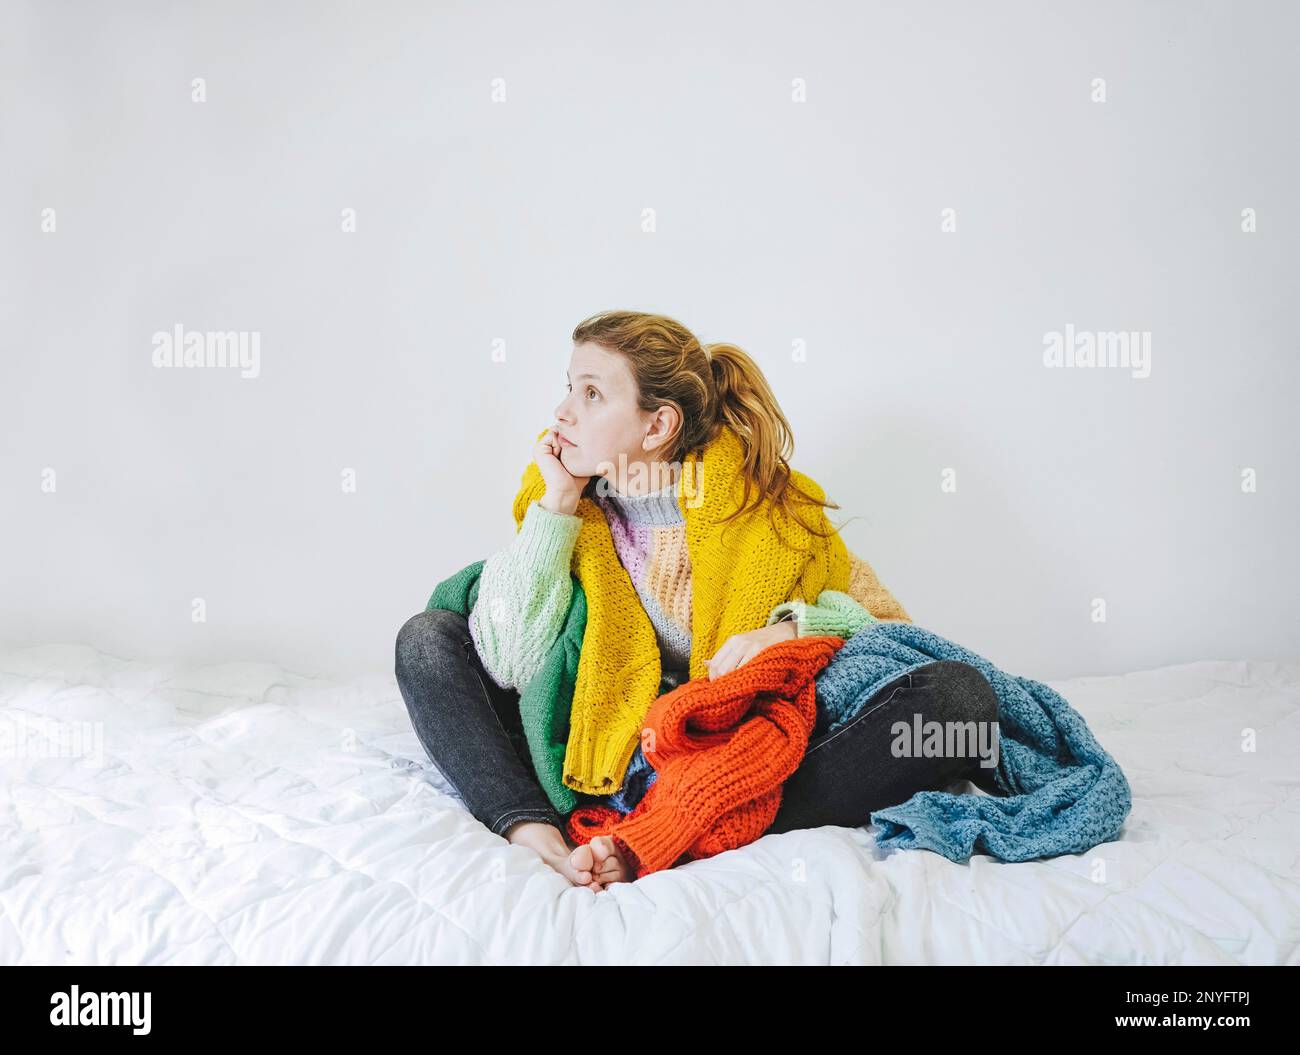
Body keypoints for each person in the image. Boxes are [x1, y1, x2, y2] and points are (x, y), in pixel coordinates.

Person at [396, 310, 999, 891]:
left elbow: (890, 632)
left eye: (592, 395)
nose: (562, 412)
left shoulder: (769, 513)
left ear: (657, 426)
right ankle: (531, 827)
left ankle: (684, 819)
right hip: (593, 751)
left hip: (728, 755)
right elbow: (509, 659)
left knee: (956, 701)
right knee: (427, 640)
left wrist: (789, 631)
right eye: (568, 389)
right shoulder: (570, 511)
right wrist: (555, 506)